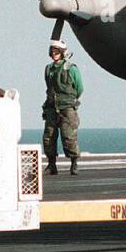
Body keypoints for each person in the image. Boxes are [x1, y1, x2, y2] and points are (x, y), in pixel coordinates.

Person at [42, 39, 84, 175]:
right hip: (52, 107)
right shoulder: (49, 69)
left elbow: (79, 88)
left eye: (56, 51)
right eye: (52, 51)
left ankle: (74, 163)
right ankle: (51, 164)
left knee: (69, 136)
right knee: (49, 136)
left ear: (62, 53)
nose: (54, 54)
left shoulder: (71, 69)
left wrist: (70, 100)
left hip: (67, 107)